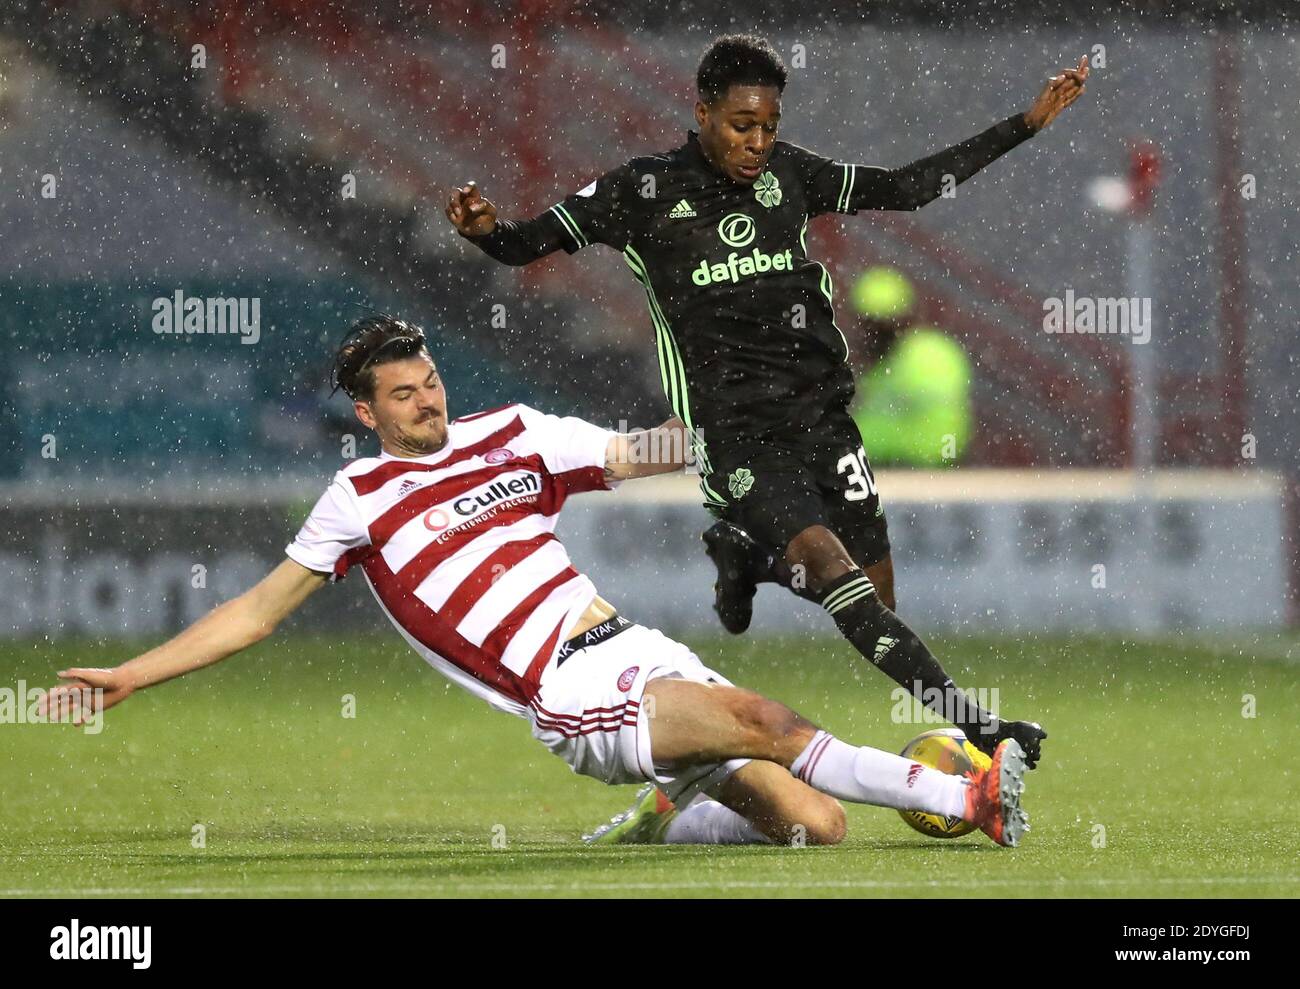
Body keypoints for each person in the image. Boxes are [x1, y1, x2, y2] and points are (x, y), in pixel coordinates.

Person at [41, 315, 1029, 849]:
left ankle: (676, 811)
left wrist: (740, 431)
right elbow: (257, 609)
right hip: (571, 693)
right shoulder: (359, 495)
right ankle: (963, 790)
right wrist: (134, 671)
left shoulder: (512, 432)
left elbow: (640, 450)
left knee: (815, 822)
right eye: (403, 391)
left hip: (640, 650)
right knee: (767, 717)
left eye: (428, 379)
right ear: (366, 409)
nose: (427, 398)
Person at [446, 35, 1087, 766]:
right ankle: (978, 724)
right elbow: (530, 242)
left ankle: (747, 557)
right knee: (841, 581)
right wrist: (488, 232)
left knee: (875, 602)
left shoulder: (790, 174)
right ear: (702, 113)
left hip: (822, 416)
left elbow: (907, 188)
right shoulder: (642, 190)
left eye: (768, 127)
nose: (757, 143)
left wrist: (1025, 126)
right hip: (737, 432)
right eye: (740, 125)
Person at [849, 266, 973, 466]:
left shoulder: (928, 357)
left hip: (922, 476)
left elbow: (943, 436)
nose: (869, 336)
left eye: (879, 326)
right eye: (867, 325)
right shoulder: (882, 365)